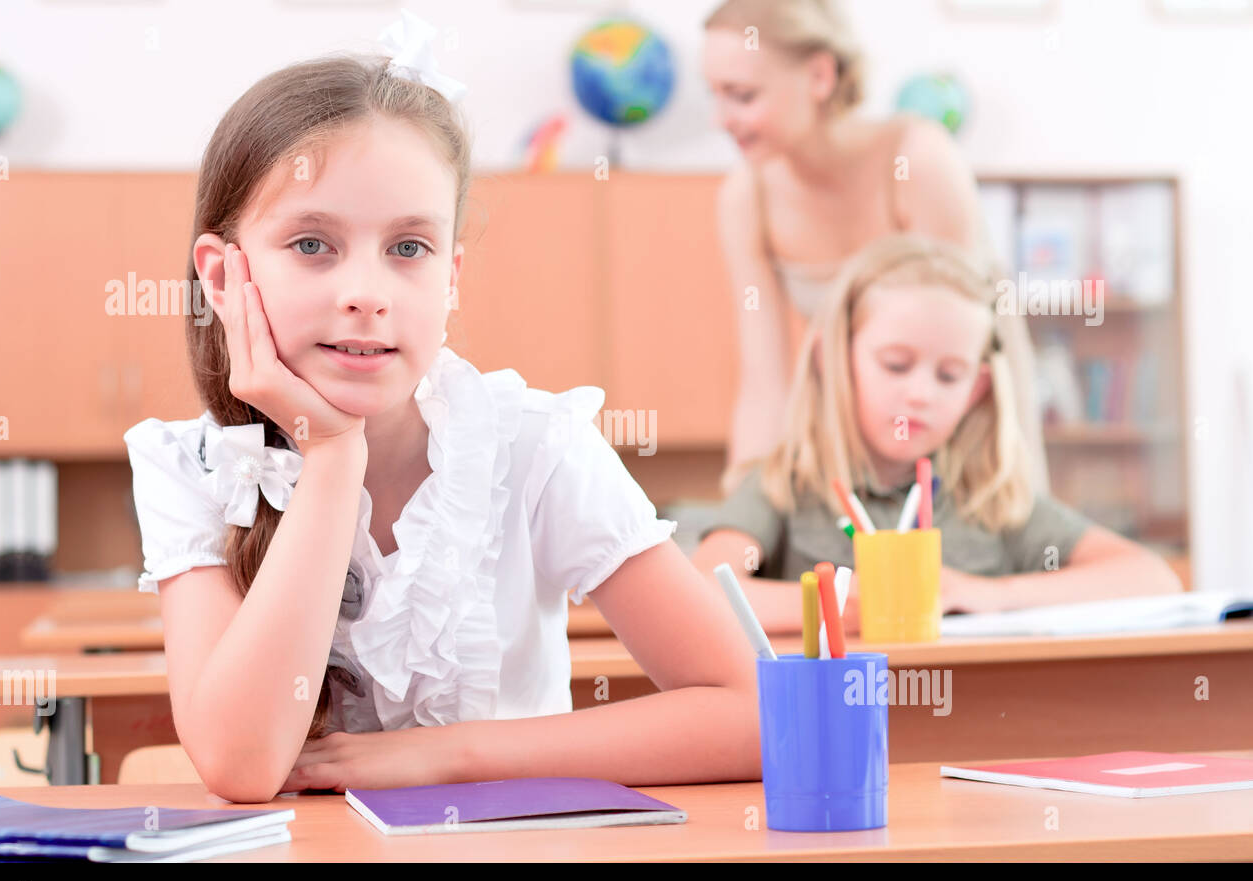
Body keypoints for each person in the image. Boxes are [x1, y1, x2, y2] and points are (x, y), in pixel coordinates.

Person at [124, 15, 758, 804]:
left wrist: (449, 755)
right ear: (222, 278)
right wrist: (330, 461)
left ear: (451, 277)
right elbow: (241, 764)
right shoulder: (189, 468)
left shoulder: (534, 445)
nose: (366, 292)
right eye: (313, 244)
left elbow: (751, 716)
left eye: (408, 248)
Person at [692, 235, 1181, 631]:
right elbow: (704, 591)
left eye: (949, 375)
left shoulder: (989, 499)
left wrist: (985, 595)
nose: (921, 394)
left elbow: (1151, 578)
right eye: (896, 364)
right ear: (834, 361)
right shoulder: (786, 484)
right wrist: (843, 606)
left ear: (976, 390)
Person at [701, 0, 1048, 494]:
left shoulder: (917, 161)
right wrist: (745, 507)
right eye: (713, 95)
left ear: (820, 75)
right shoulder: (745, 197)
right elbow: (765, 386)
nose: (720, 119)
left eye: (741, 95)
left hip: (965, 423)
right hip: (860, 424)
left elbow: (953, 363)